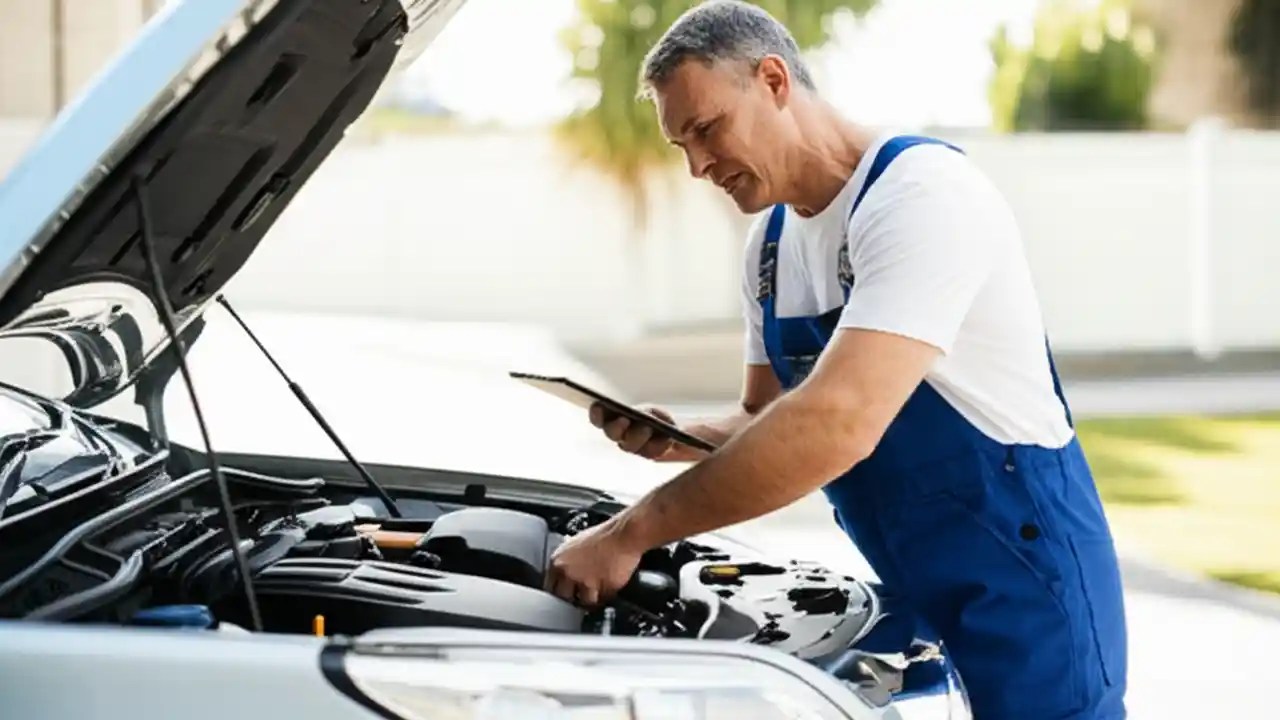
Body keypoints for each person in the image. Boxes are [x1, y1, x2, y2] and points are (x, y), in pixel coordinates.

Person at [543, 1, 1128, 718]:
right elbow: (764, 416)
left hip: (1026, 580)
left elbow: (836, 422)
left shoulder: (920, 197)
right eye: (680, 146)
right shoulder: (768, 248)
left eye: (705, 129)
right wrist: (681, 439)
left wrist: (631, 532)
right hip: (911, 582)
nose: (697, 165)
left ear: (773, 81)